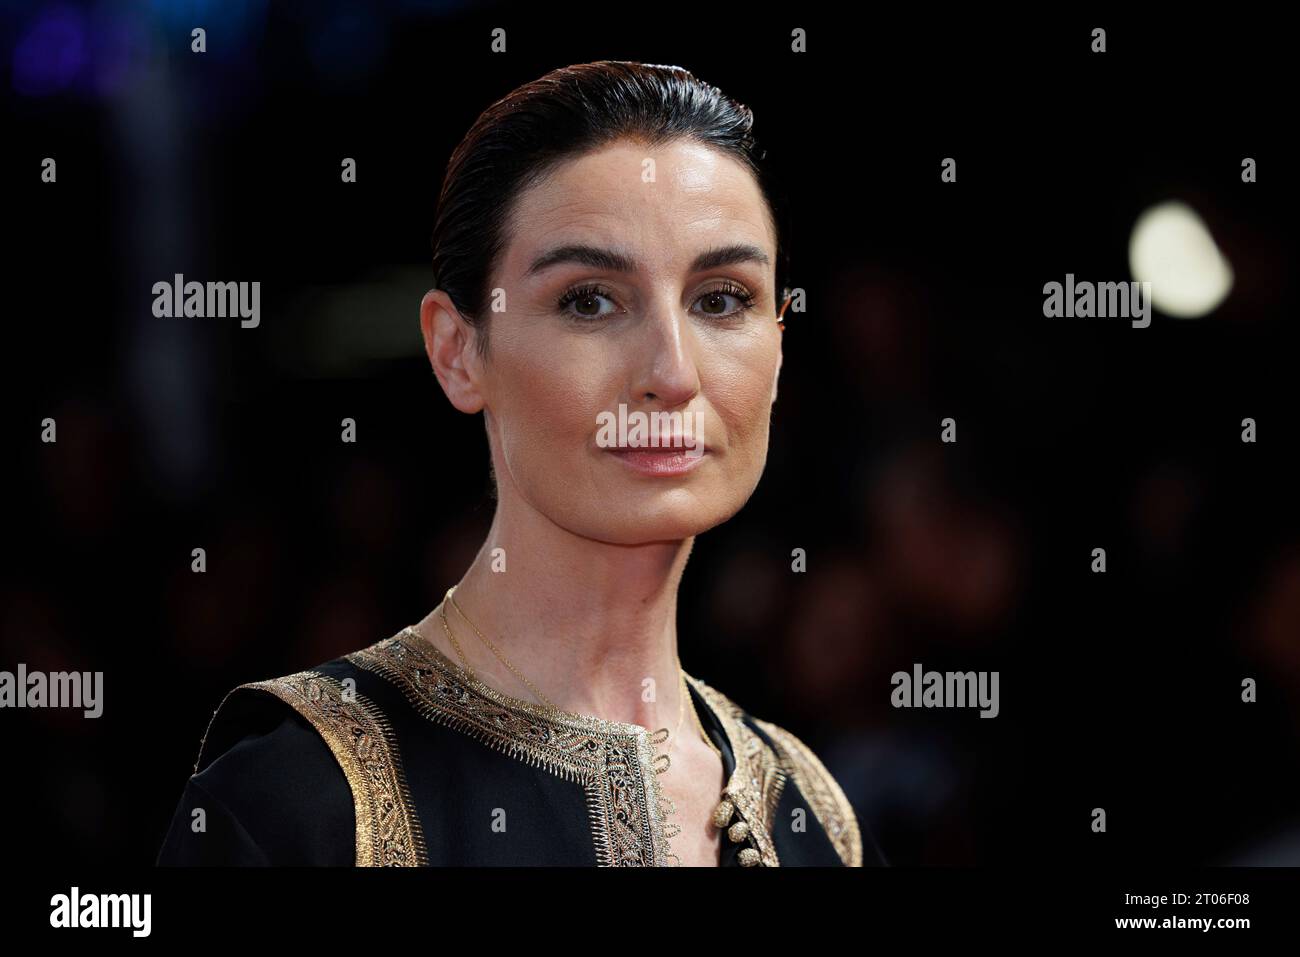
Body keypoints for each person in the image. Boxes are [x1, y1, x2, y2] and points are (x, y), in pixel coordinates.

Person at [157, 60, 879, 867]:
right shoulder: (297, 802)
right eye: (589, 300)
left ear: (780, 345)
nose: (673, 373)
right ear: (457, 351)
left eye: (721, 299)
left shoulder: (817, 821)